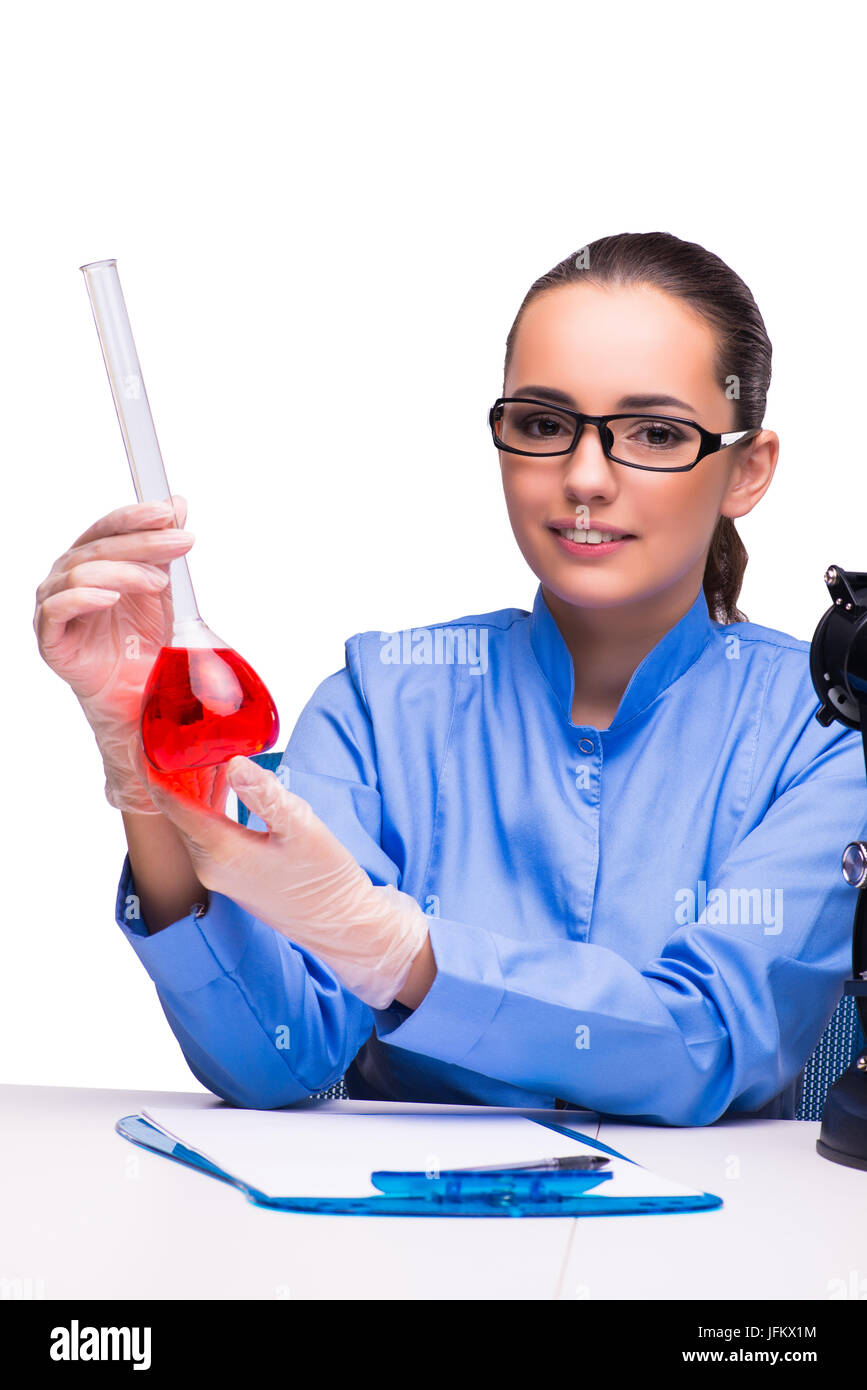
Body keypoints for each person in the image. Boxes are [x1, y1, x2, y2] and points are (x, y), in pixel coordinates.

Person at [34, 230, 867, 1124]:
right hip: (406, 1247)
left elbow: (710, 1043)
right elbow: (276, 1057)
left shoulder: (827, 727)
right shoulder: (381, 701)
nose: (584, 478)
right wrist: (148, 763)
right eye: (544, 424)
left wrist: (399, 951)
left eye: (654, 434)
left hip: (712, 1250)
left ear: (746, 469)